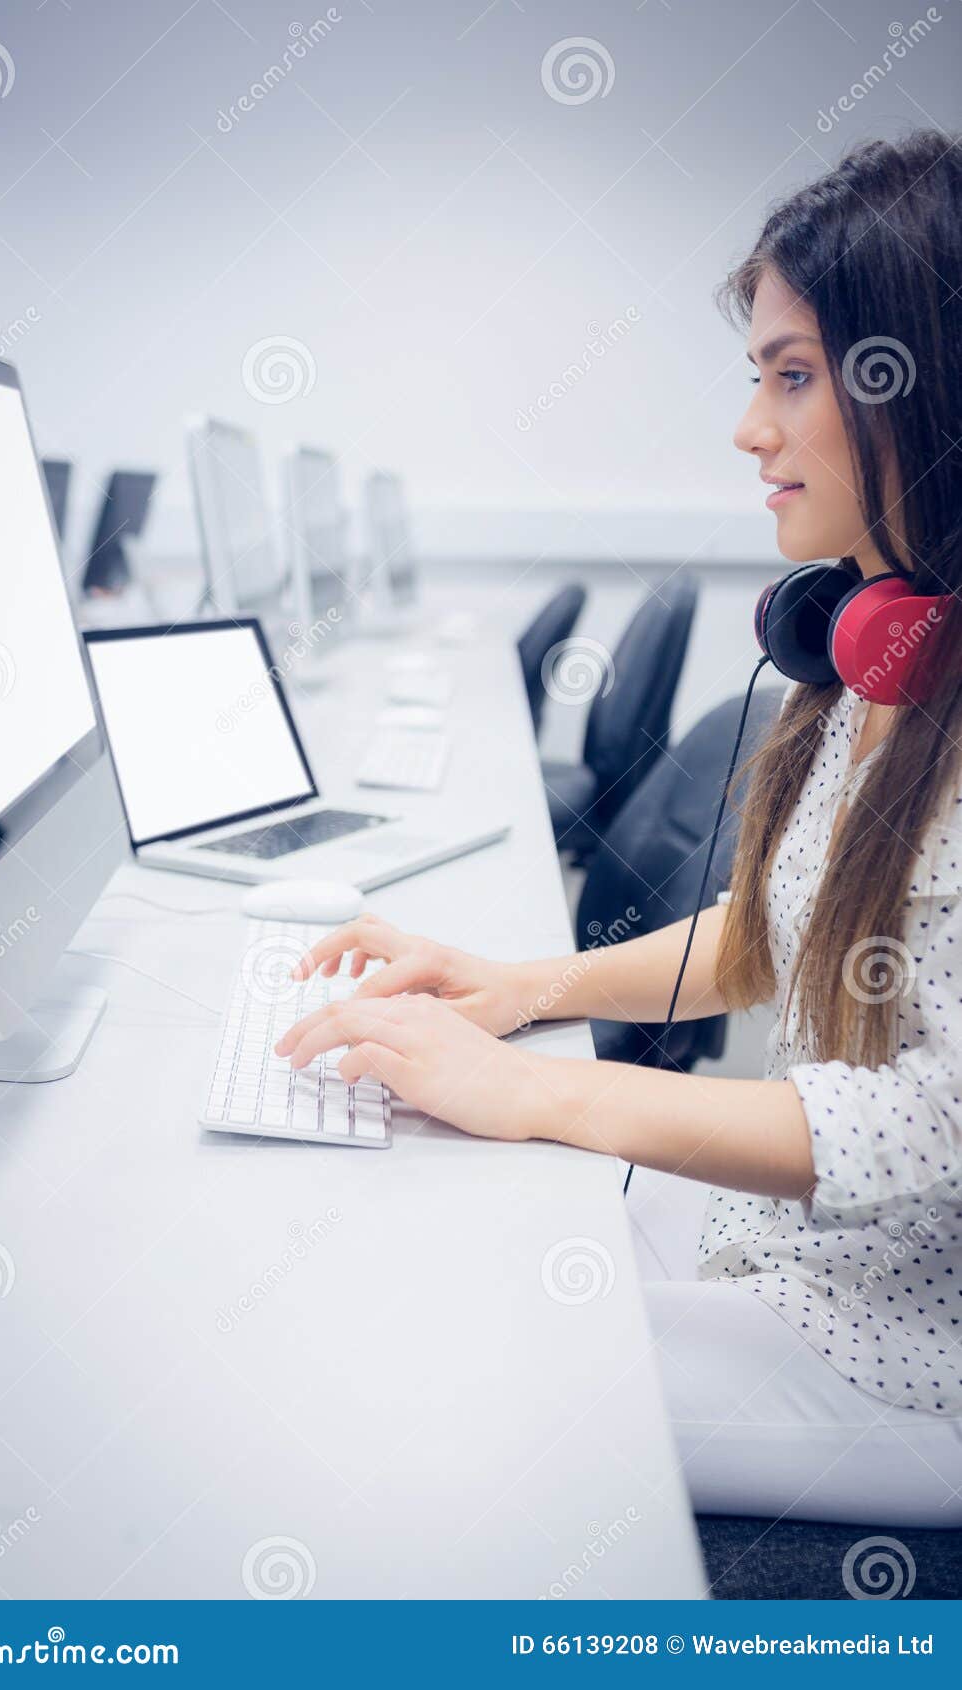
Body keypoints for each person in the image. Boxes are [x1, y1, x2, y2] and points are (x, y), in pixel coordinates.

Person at [276, 130, 962, 1528]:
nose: (749, 428)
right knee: (434, 1213)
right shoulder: (873, 658)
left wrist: (542, 1092)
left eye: (791, 375)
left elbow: (934, 1120)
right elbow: (779, 934)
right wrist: (527, 988)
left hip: (904, 1359)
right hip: (794, 1248)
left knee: (461, 1385)